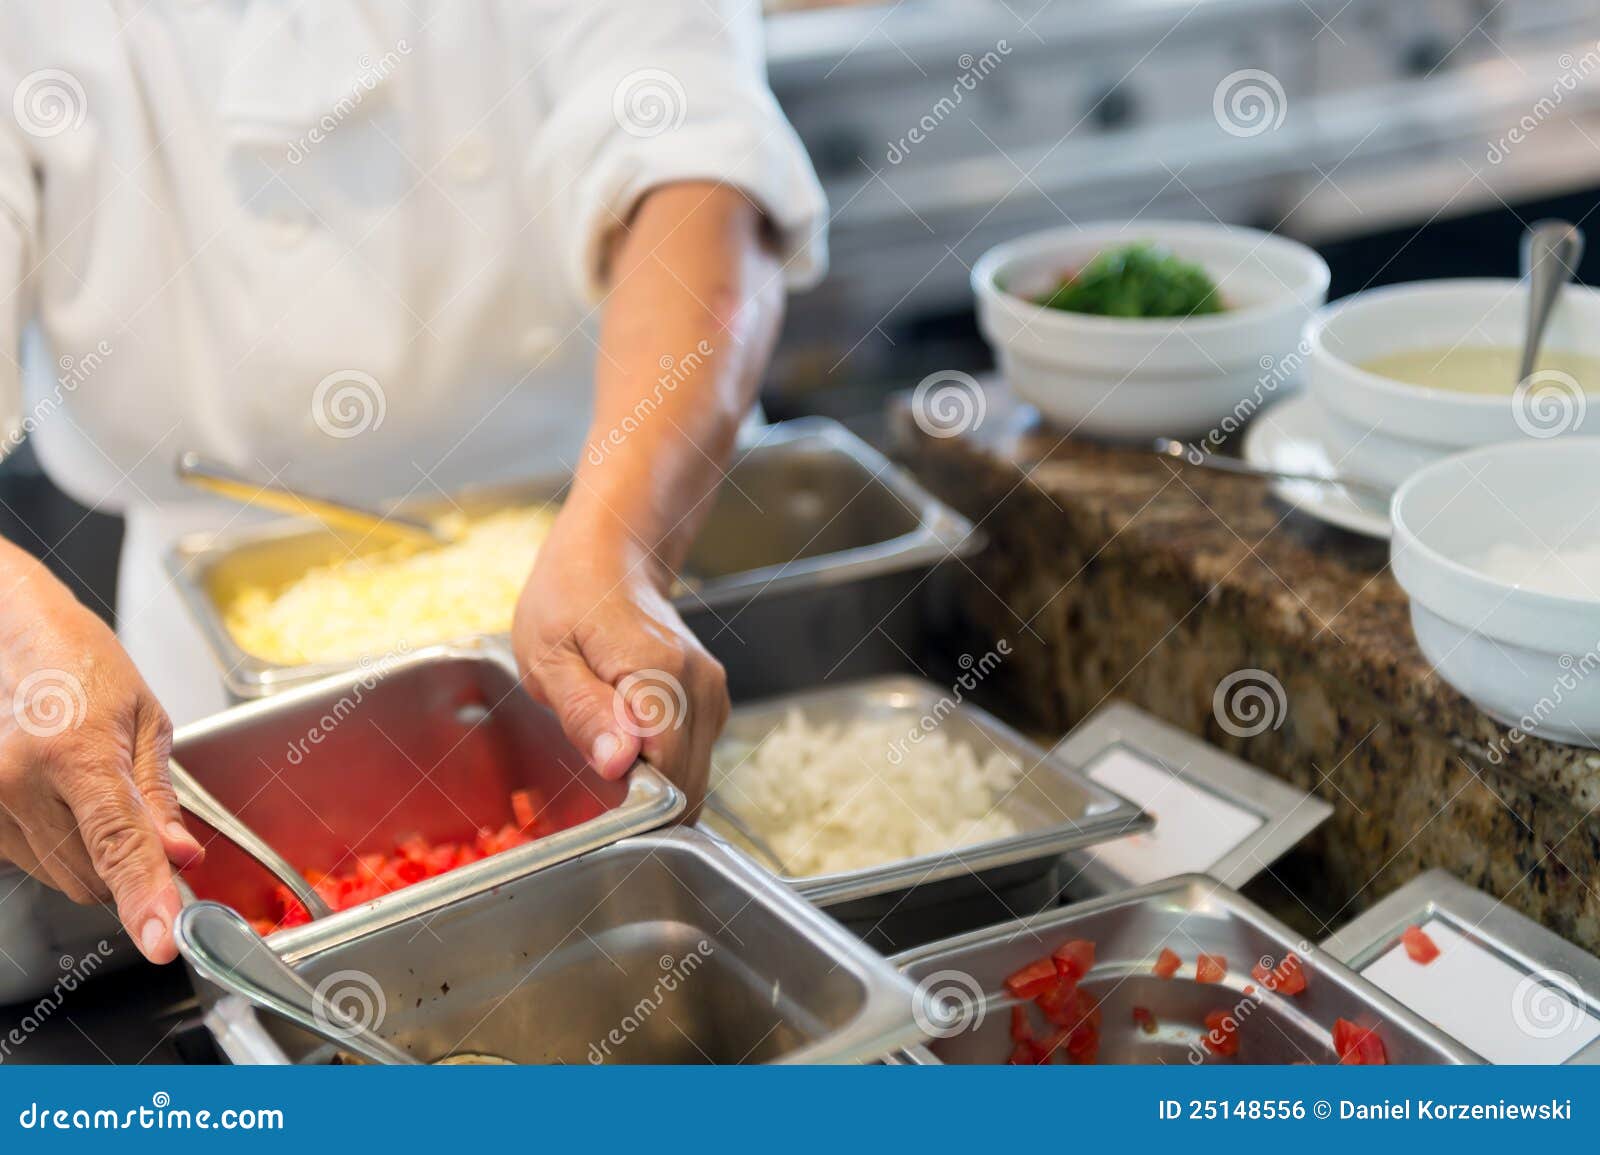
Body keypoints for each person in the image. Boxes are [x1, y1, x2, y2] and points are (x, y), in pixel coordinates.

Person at [0, 3, 825, 965]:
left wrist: (623, 545)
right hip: (206, 660)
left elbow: (701, 166)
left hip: (612, 520)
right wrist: (13, 630)